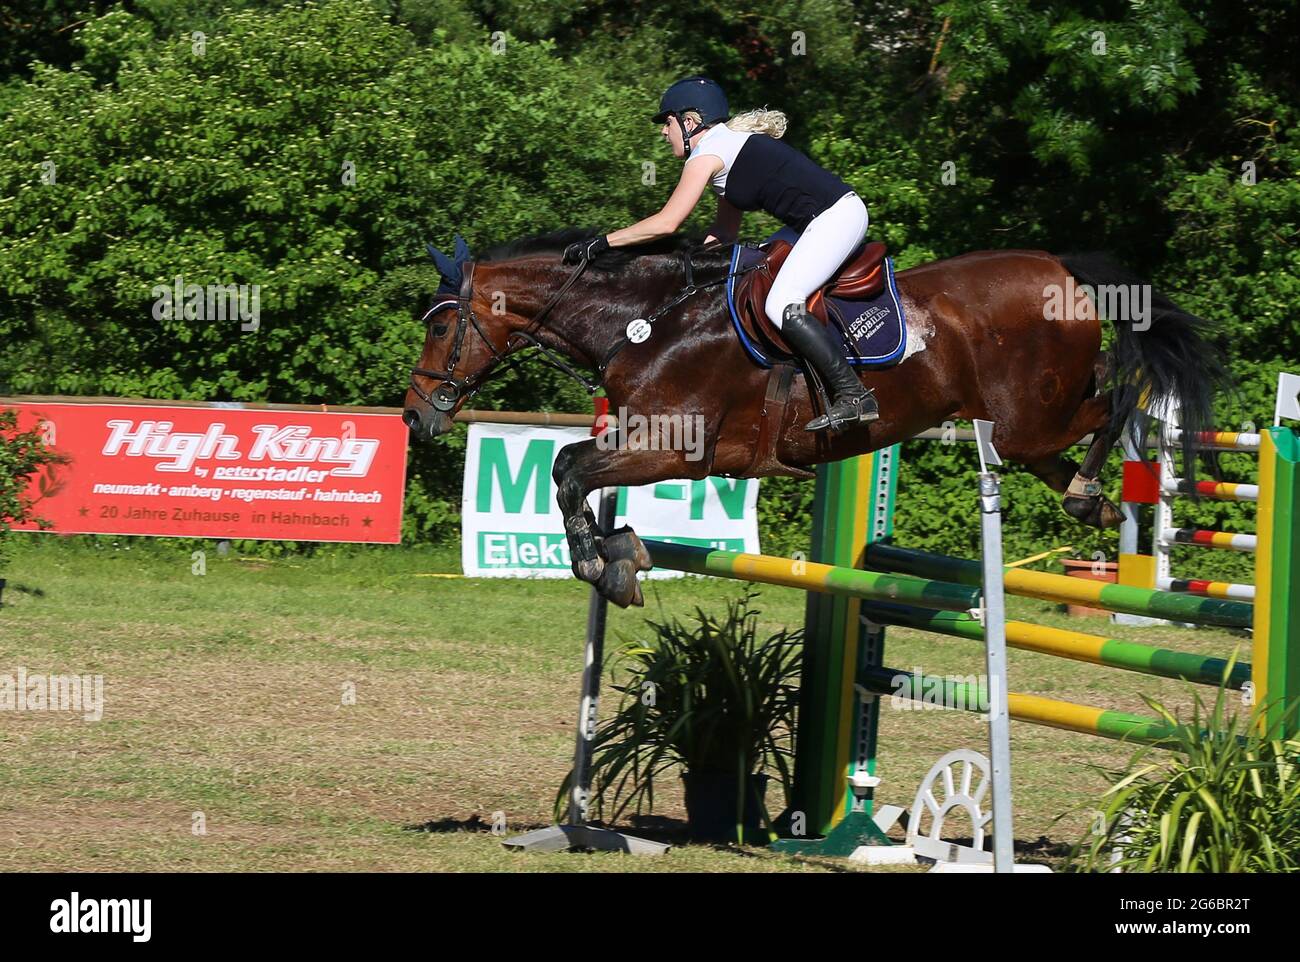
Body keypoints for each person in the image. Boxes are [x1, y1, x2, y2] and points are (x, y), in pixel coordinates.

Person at [563, 76, 877, 431]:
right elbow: (724, 234)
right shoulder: (726, 149)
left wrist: (603, 242)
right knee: (751, 275)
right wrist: (682, 272)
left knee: (780, 303)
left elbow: (667, 223)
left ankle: (854, 396)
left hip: (836, 218)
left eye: (667, 123)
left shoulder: (706, 156)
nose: (663, 133)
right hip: (815, 221)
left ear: (690, 122)